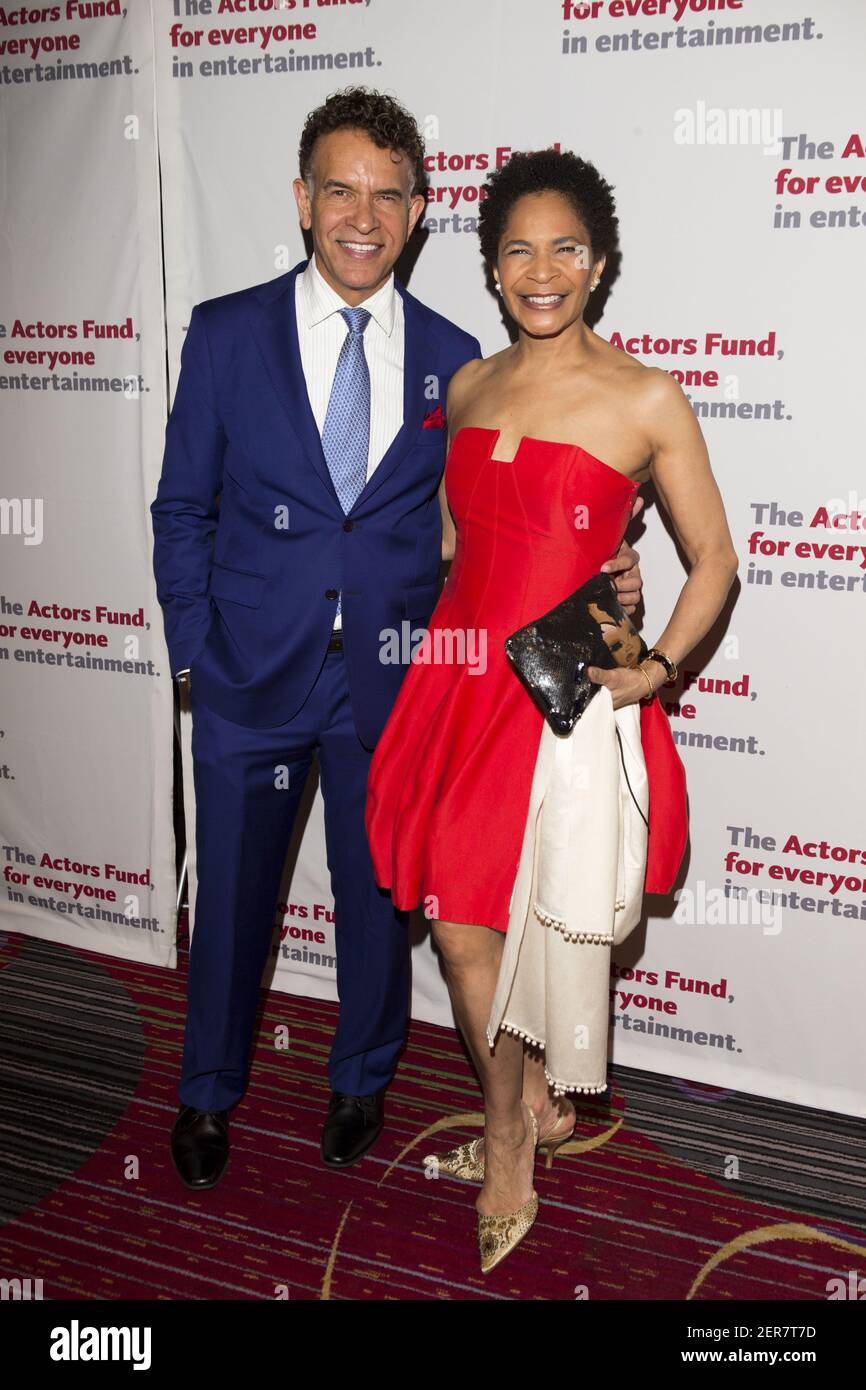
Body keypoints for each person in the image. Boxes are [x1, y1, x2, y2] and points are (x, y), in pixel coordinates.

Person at [150, 92, 644, 1190]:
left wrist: (604, 561)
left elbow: (496, 520)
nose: (361, 215)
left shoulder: (459, 360)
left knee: (379, 896)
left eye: (387, 193)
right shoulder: (228, 332)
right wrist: (196, 651)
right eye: (339, 189)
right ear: (303, 200)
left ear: (417, 213)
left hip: (397, 678)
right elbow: (181, 505)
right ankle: (207, 1092)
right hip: (247, 674)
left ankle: (361, 1077)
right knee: (232, 897)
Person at [365, 148, 739, 1272]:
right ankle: (521, 1109)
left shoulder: (644, 397)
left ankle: (514, 1124)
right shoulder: (469, 387)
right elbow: (455, 542)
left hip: (561, 695)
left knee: (502, 921)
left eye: (563, 248)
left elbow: (714, 558)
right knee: (460, 919)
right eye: (517, 249)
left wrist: (659, 663)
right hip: (460, 676)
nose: (541, 270)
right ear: (488, 266)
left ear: (600, 263)